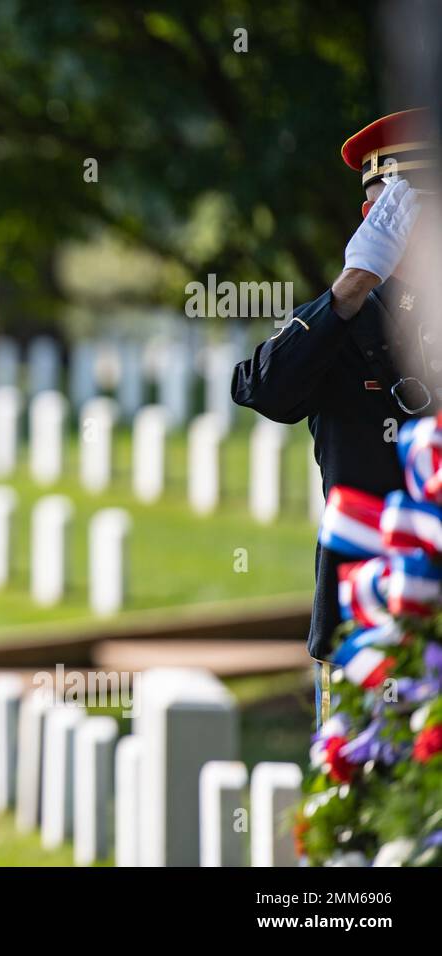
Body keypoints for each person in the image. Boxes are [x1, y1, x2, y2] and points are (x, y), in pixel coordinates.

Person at [232, 107, 439, 729]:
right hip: (366, 615)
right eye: (398, 213)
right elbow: (263, 389)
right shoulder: (339, 324)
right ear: (370, 222)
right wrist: (350, 287)